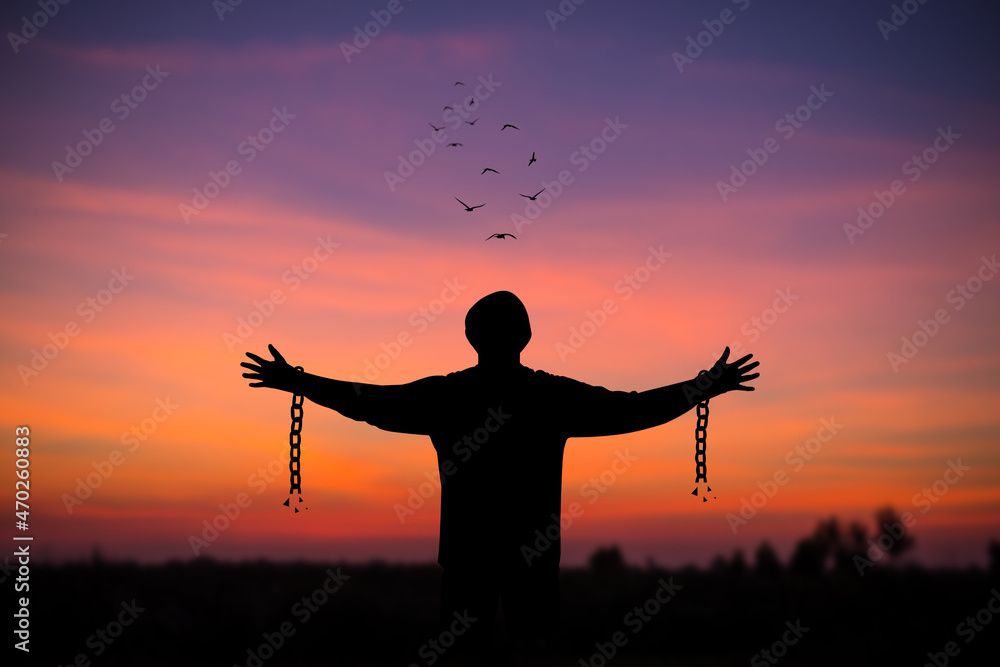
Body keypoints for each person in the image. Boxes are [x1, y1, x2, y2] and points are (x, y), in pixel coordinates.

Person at [241, 290, 759, 658]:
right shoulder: (549, 396)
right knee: (534, 650)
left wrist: (298, 381)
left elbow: (368, 403)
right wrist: (701, 388)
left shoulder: (447, 396)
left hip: (468, 556)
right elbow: (630, 410)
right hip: (531, 555)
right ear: (526, 336)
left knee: (463, 652)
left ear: (470, 337)